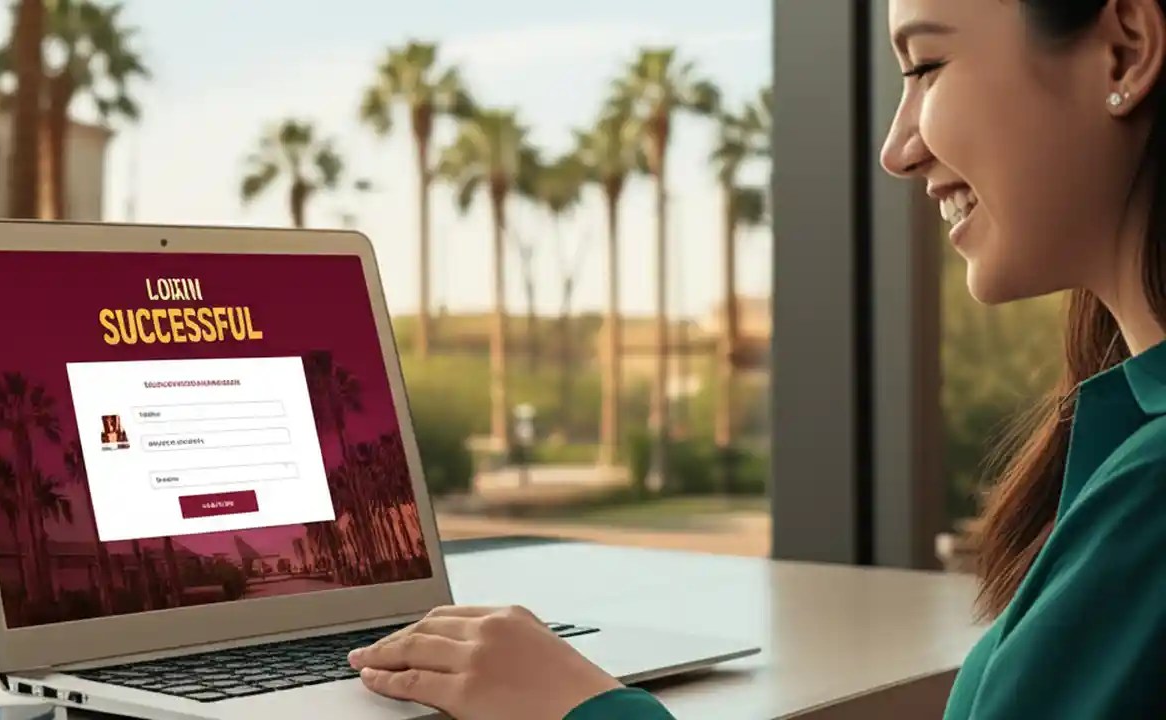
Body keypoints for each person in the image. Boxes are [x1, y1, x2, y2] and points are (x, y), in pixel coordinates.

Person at [347, 0, 1166, 717]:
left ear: (1124, 50)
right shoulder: (1128, 447)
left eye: (926, 65)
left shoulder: (1150, 488)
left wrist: (583, 710)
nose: (896, 147)